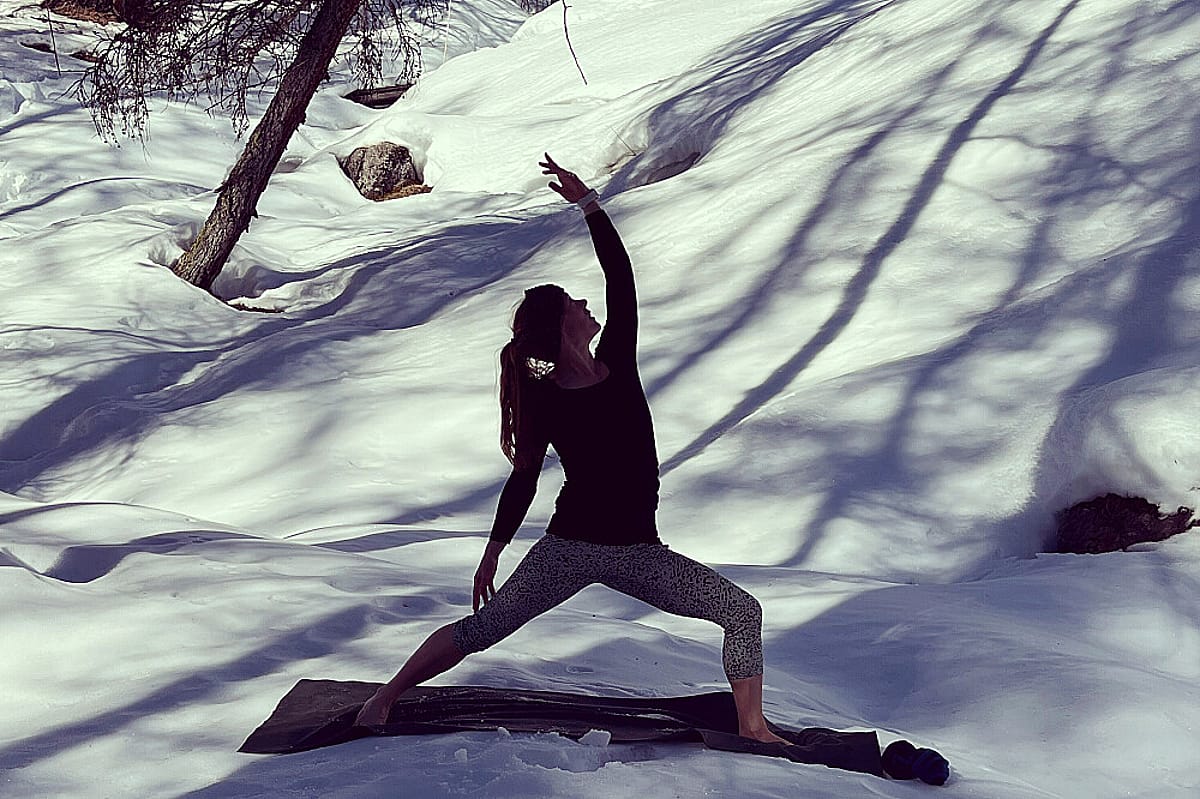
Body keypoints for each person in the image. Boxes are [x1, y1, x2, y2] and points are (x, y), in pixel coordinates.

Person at [355, 155, 786, 744]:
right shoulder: (547, 398)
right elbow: (525, 477)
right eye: (575, 306)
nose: (588, 308)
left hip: (640, 553)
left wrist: (590, 205)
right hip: (570, 549)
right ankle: (383, 698)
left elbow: (621, 279)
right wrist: (492, 552)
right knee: (484, 628)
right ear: (561, 325)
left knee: (742, 612)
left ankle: (753, 727)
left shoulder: (619, 359)